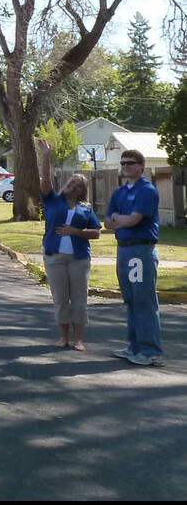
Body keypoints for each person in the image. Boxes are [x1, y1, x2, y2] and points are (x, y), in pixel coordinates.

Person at [36, 138, 101, 350]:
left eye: (77, 184)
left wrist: (76, 232)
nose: (72, 184)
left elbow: (96, 233)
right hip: (55, 256)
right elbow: (45, 181)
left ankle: (79, 340)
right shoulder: (53, 200)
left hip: (79, 259)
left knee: (80, 300)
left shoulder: (86, 208)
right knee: (61, 299)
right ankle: (63, 338)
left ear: (82, 190)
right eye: (71, 181)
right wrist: (46, 156)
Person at [104, 149, 164, 366]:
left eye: (130, 163)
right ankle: (134, 345)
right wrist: (121, 219)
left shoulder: (146, 191)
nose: (126, 166)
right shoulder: (119, 192)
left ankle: (149, 350)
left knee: (143, 301)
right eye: (123, 163)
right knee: (130, 299)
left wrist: (119, 219)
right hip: (123, 249)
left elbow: (134, 220)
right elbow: (107, 221)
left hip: (141, 251)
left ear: (141, 166)